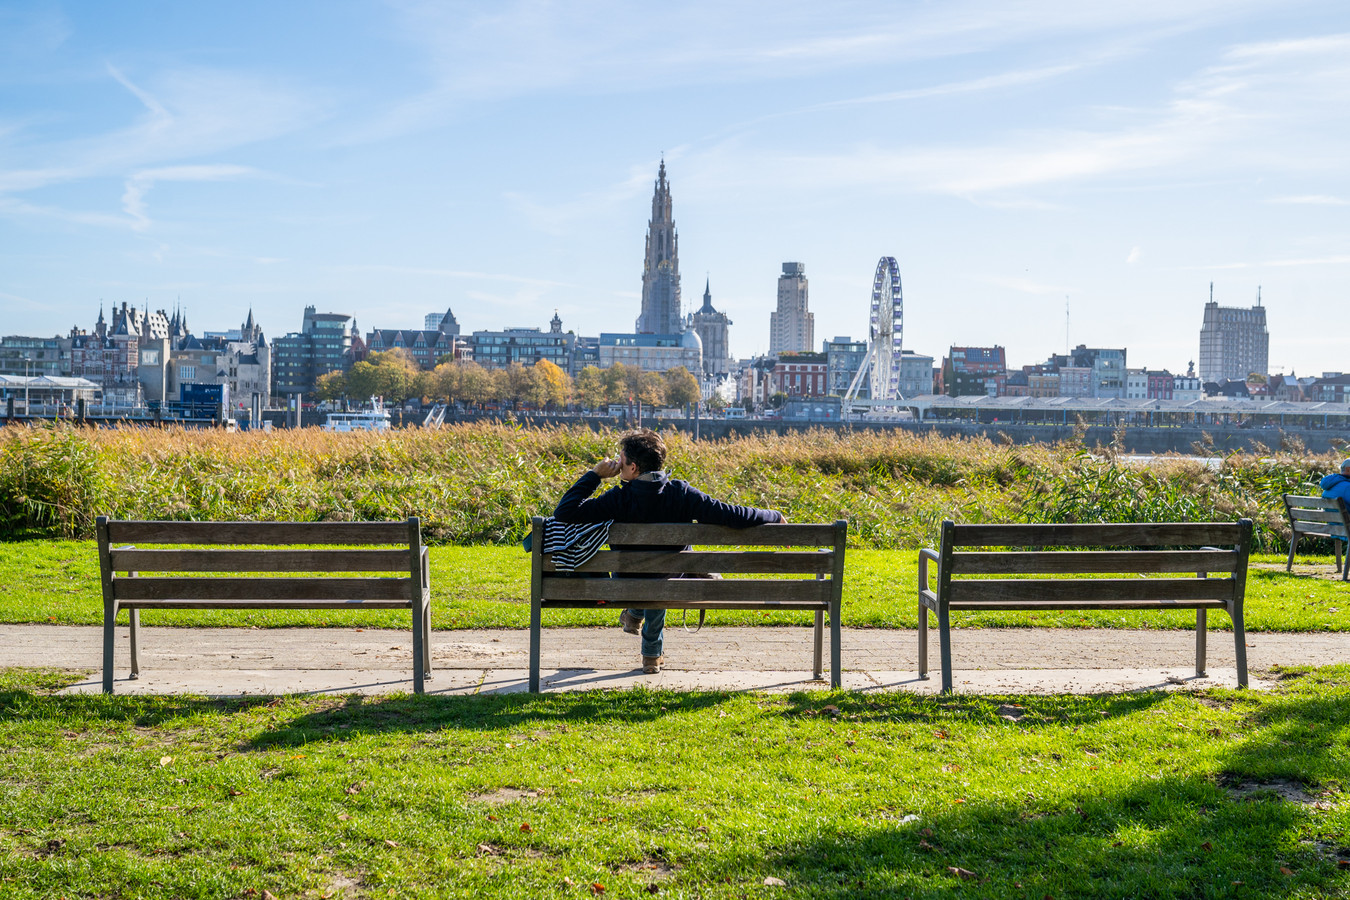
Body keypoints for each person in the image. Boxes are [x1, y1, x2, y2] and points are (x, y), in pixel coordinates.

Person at [553, 429, 785, 674]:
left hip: (625, 585)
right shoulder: (682, 494)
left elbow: (565, 512)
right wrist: (774, 515)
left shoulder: (618, 498)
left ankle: (636, 618)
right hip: (671, 582)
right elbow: (732, 515)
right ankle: (651, 652)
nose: (618, 463)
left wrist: (595, 475)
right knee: (667, 567)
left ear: (633, 468)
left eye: (621, 459)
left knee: (651, 573)